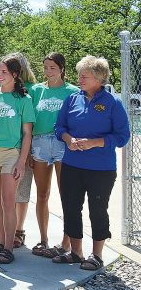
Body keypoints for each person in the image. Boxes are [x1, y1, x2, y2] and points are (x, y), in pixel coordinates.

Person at [53, 56, 130, 271]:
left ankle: (96, 255)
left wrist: (94, 143)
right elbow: (59, 128)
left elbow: (123, 136)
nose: (80, 79)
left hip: (101, 169)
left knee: (97, 210)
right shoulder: (72, 99)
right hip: (72, 165)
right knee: (70, 208)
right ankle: (76, 253)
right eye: (79, 75)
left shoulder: (112, 103)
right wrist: (69, 139)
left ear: (99, 78)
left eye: (84, 76)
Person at [0, 56, 35, 265]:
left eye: (4, 72)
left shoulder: (24, 99)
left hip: (12, 153)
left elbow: (27, 134)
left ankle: (9, 247)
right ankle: (1, 241)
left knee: (8, 201)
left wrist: (22, 161)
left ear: (14, 74)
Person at [30, 53, 79, 259]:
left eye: (53, 67)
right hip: (39, 142)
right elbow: (30, 119)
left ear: (61, 69)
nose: (49, 71)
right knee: (42, 194)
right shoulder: (36, 90)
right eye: (46, 67)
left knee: (66, 194)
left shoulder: (72, 91)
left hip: (62, 143)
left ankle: (66, 241)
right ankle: (43, 239)